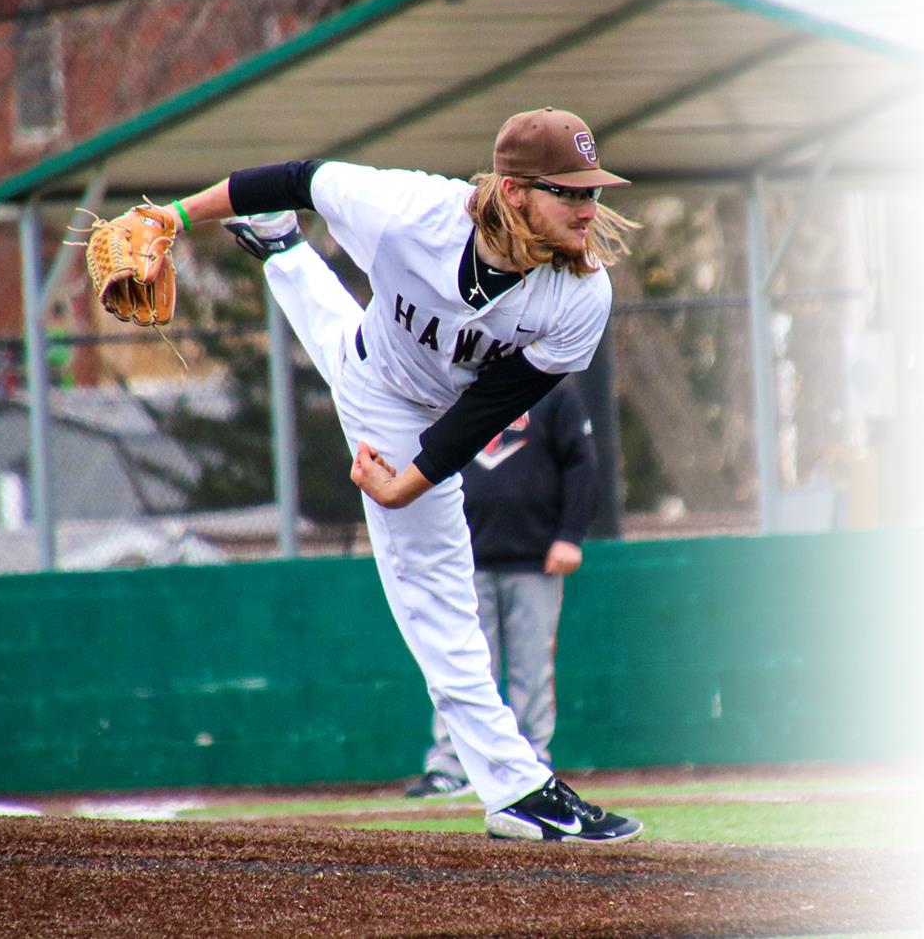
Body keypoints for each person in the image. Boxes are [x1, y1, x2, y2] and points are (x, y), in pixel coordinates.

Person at [151, 107, 644, 842]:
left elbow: (486, 409)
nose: (587, 206)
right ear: (513, 190)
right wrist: (172, 218)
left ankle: (281, 248)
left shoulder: (581, 294)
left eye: (592, 191)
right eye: (568, 191)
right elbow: (296, 178)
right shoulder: (409, 212)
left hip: (427, 407)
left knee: (341, 337)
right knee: (440, 601)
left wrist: (407, 481)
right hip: (381, 391)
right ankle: (516, 789)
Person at [403, 380, 599, 800]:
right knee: (459, 667)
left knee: (532, 671)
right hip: (460, 562)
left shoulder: (552, 389)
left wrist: (570, 535)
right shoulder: (447, 385)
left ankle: (530, 767)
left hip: (535, 559)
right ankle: (452, 766)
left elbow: (581, 463)